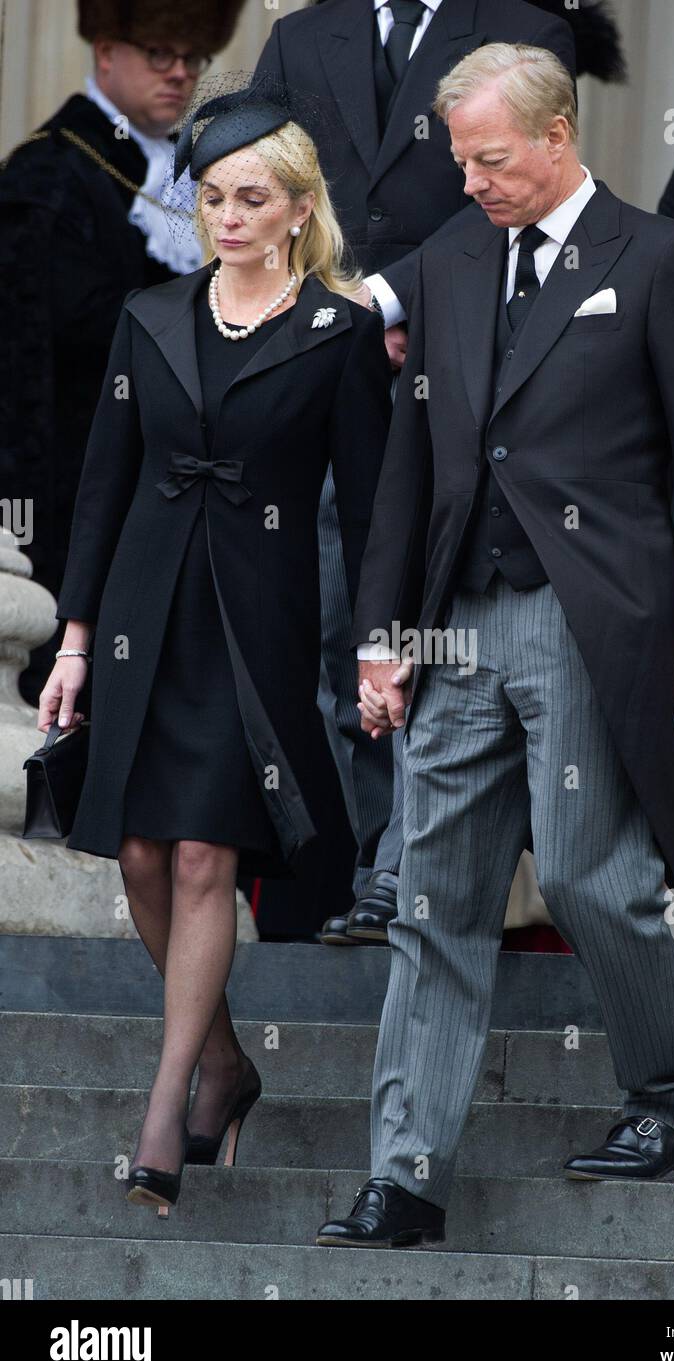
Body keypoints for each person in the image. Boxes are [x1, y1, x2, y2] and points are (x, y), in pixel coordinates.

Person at [316, 41, 674, 1248]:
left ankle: (669, 1104)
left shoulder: (659, 259)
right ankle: (404, 1176)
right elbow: (407, 470)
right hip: (454, 615)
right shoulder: (453, 260)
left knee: (584, 875)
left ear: (558, 137)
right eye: (457, 156)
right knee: (429, 894)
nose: (467, 181)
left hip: (587, 614)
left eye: (489, 158)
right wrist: (380, 636)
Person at [39, 76, 392, 1214]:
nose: (226, 217)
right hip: (145, 613)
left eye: (250, 198)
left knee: (204, 858)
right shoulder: (151, 316)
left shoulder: (339, 334)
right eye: (210, 198)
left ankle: (167, 1099)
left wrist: (382, 645)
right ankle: (230, 1062)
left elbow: (375, 503)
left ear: (298, 208)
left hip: (257, 624)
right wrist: (76, 641)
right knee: (142, 858)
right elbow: (101, 490)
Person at [255, 0, 578, 946]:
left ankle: (412, 871)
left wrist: (393, 297)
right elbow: (263, 183)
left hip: (464, 365)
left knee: (440, 630)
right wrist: (311, 313)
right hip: (319, 370)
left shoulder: (525, 24)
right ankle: (350, 866)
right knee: (337, 629)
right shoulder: (299, 35)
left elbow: (523, 188)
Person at [0, 0, 245, 708]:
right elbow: (33, 361)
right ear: (107, 51)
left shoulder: (186, 170)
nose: (178, 75)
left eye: (191, 61)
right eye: (159, 54)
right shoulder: (48, 174)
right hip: (73, 484)